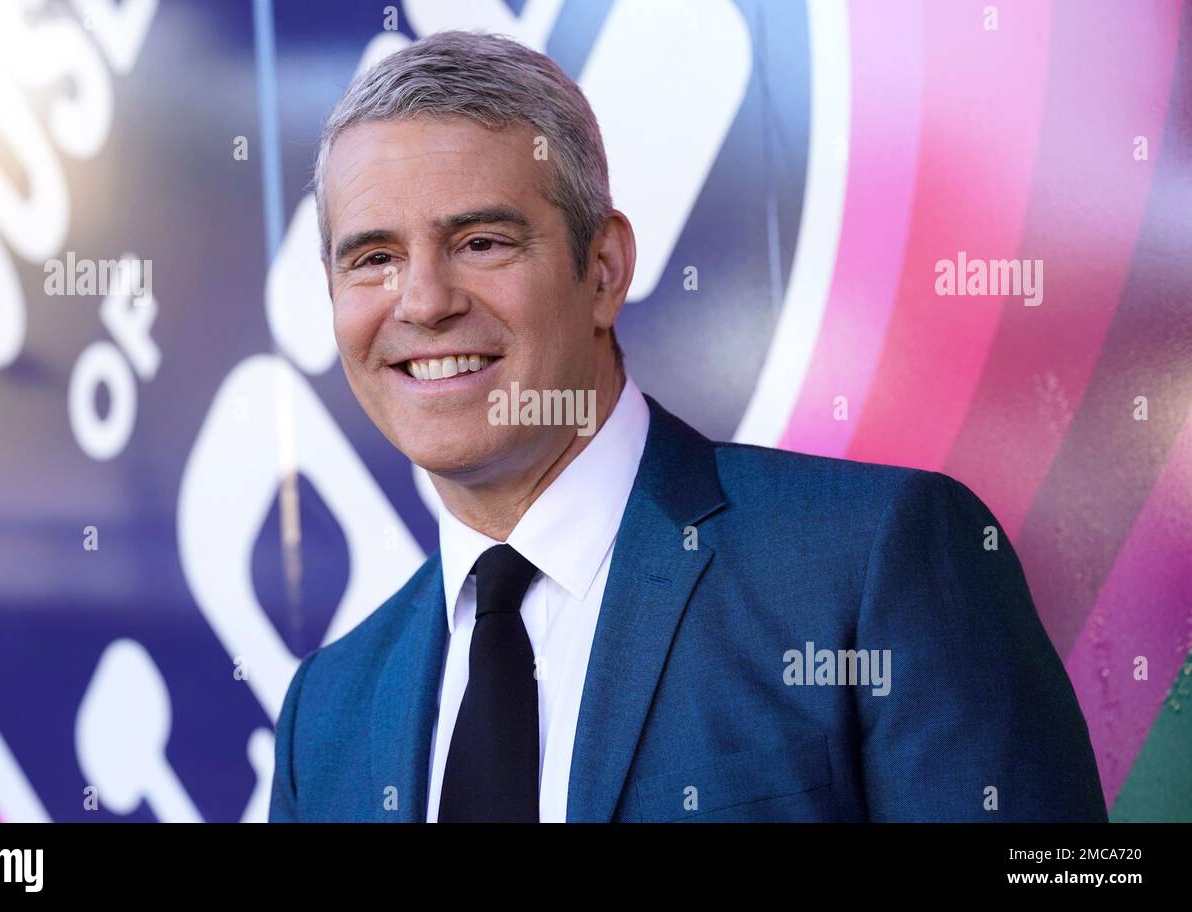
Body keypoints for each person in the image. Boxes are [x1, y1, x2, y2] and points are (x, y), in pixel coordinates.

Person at [269, 30, 1106, 823]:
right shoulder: (328, 713)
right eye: (373, 259)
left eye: (481, 242)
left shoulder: (876, 565)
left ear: (603, 271)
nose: (422, 301)